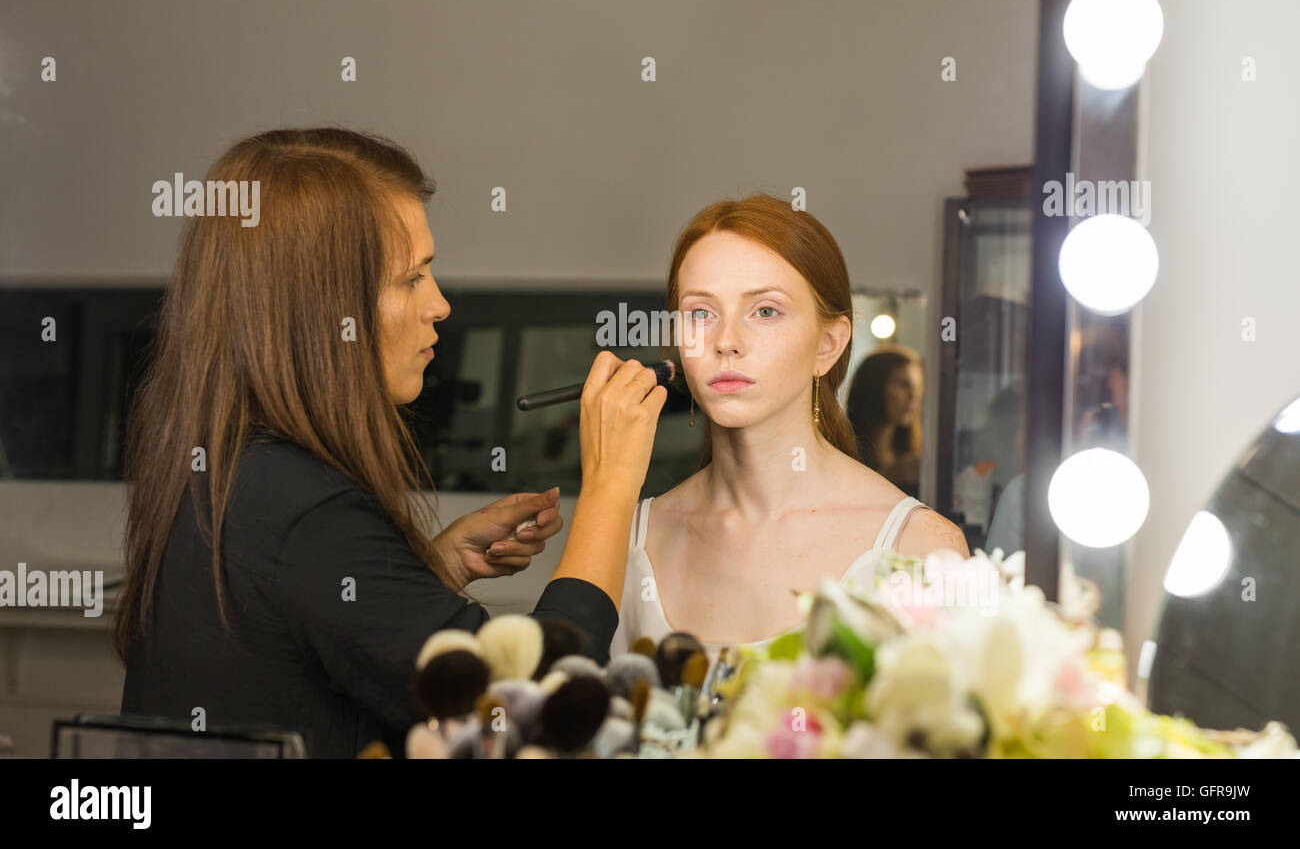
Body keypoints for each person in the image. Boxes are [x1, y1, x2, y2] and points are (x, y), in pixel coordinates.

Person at [115, 128, 666, 758]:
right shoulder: (307, 512)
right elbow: (526, 709)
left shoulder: (229, 467)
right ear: (324, 312)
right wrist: (611, 489)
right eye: (412, 279)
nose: (440, 304)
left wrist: (425, 572)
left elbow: (302, 623)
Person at [609, 194, 967, 659]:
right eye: (701, 313)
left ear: (829, 345)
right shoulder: (628, 536)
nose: (727, 342)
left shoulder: (918, 548)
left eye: (765, 311)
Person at [846, 345, 925, 497]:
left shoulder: (914, 453)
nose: (914, 396)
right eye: (904, 385)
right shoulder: (842, 449)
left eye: (918, 387)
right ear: (875, 386)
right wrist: (888, 476)